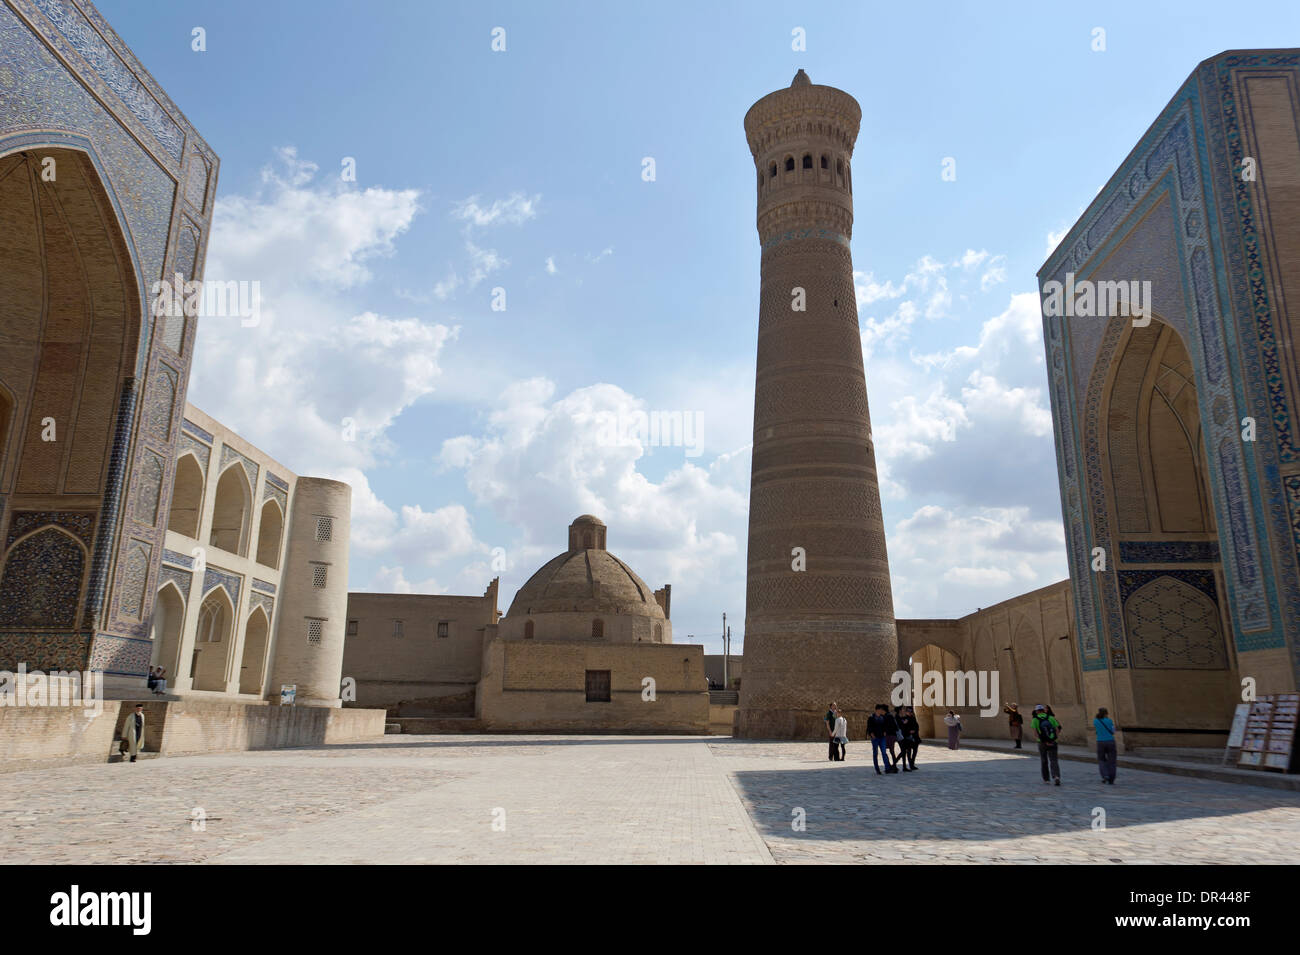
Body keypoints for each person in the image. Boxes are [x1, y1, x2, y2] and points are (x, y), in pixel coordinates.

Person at [1032, 703, 1062, 786]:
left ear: (1037, 711)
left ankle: (1046, 779)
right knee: (1054, 760)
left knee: (1044, 760)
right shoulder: (1051, 718)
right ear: (1043, 710)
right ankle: (1056, 776)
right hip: (1053, 742)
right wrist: (1053, 739)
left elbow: (1035, 733)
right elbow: (1057, 729)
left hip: (1042, 743)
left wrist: (1043, 741)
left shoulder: (1035, 720)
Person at [867, 704, 899, 774]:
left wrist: (884, 732)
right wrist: (872, 735)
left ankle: (887, 768)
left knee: (884, 753)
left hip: (882, 738)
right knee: (875, 753)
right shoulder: (871, 717)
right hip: (875, 738)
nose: (882, 711)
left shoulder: (882, 717)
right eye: (880, 710)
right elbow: (869, 728)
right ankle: (877, 769)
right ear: (877, 710)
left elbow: (885, 726)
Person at [1094, 707, 1117, 784]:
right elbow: (1113, 731)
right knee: (1112, 761)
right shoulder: (1110, 721)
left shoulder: (1096, 721)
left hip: (1100, 742)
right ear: (1106, 714)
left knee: (1101, 760)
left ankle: (1105, 775)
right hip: (1110, 741)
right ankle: (1112, 778)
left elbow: (1096, 731)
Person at [898, 706, 921, 770]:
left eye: (911, 711)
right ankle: (910, 764)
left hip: (915, 737)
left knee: (915, 751)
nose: (909, 712)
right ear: (906, 712)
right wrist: (909, 731)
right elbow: (903, 728)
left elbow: (917, 726)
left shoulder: (913, 718)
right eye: (908, 711)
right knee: (909, 751)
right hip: (908, 737)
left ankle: (912, 764)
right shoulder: (904, 719)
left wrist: (915, 730)